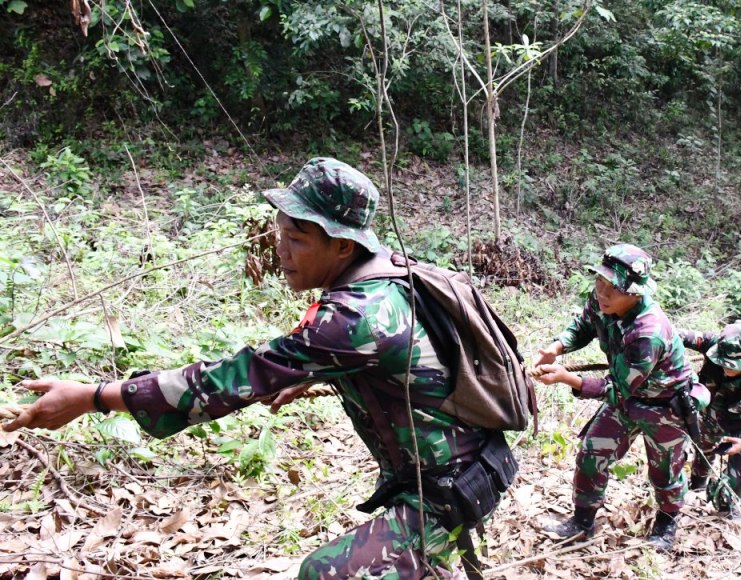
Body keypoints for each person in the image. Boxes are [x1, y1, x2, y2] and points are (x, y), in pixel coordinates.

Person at [3, 157, 515, 579]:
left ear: (342, 245)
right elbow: (398, 360)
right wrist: (316, 374)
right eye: (280, 232)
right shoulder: (383, 280)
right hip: (456, 469)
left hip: (450, 485)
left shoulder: (354, 319)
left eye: (297, 238)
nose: (280, 249)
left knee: (324, 573)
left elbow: (229, 380)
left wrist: (92, 396)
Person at [533, 244, 704, 550]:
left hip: (665, 406)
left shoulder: (647, 331)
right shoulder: (602, 299)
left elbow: (616, 387)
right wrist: (557, 347)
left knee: (665, 471)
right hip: (628, 399)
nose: (603, 292)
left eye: (613, 288)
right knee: (591, 452)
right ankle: (582, 523)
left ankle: (666, 525)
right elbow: (584, 325)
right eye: (599, 282)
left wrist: (566, 378)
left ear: (635, 293)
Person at [680, 324, 741, 520]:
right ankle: (697, 486)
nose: (726, 369)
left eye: (732, 365)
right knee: (702, 456)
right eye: (722, 362)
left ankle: (728, 506)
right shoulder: (714, 345)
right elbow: (676, 334)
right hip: (709, 419)